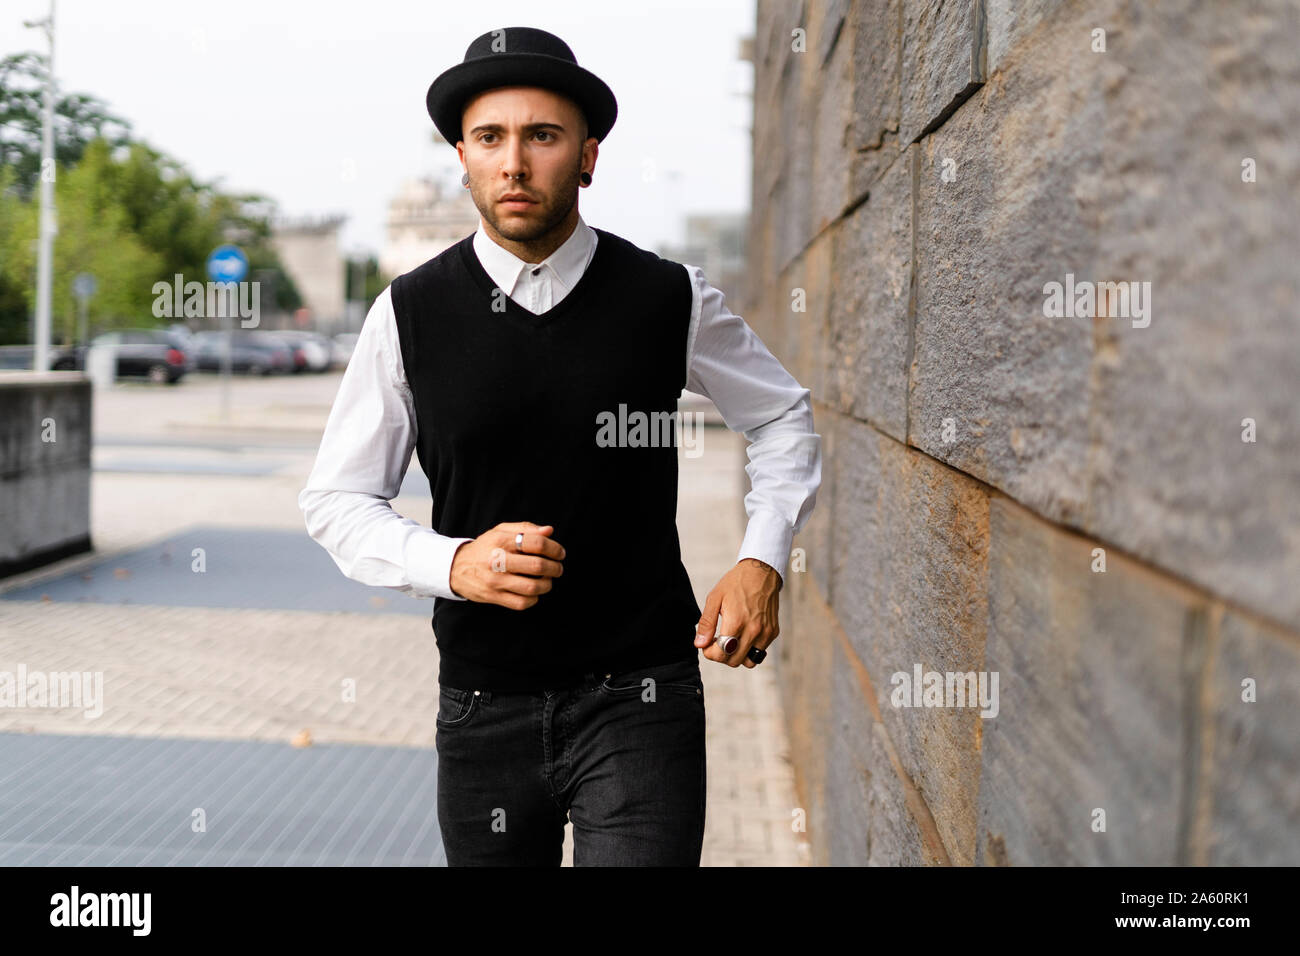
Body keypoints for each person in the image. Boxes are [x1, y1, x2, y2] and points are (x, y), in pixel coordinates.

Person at [298, 25, 822, 866]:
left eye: (542, 136)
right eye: (489, 138)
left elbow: (780, 415)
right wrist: (451, 562)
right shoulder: (408, 314)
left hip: (641, 696)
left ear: (586, 157)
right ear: (462, 157)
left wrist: (763, 557)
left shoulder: (666, 297)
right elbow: (335, 499)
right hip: (483, 706)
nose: (514, 163)